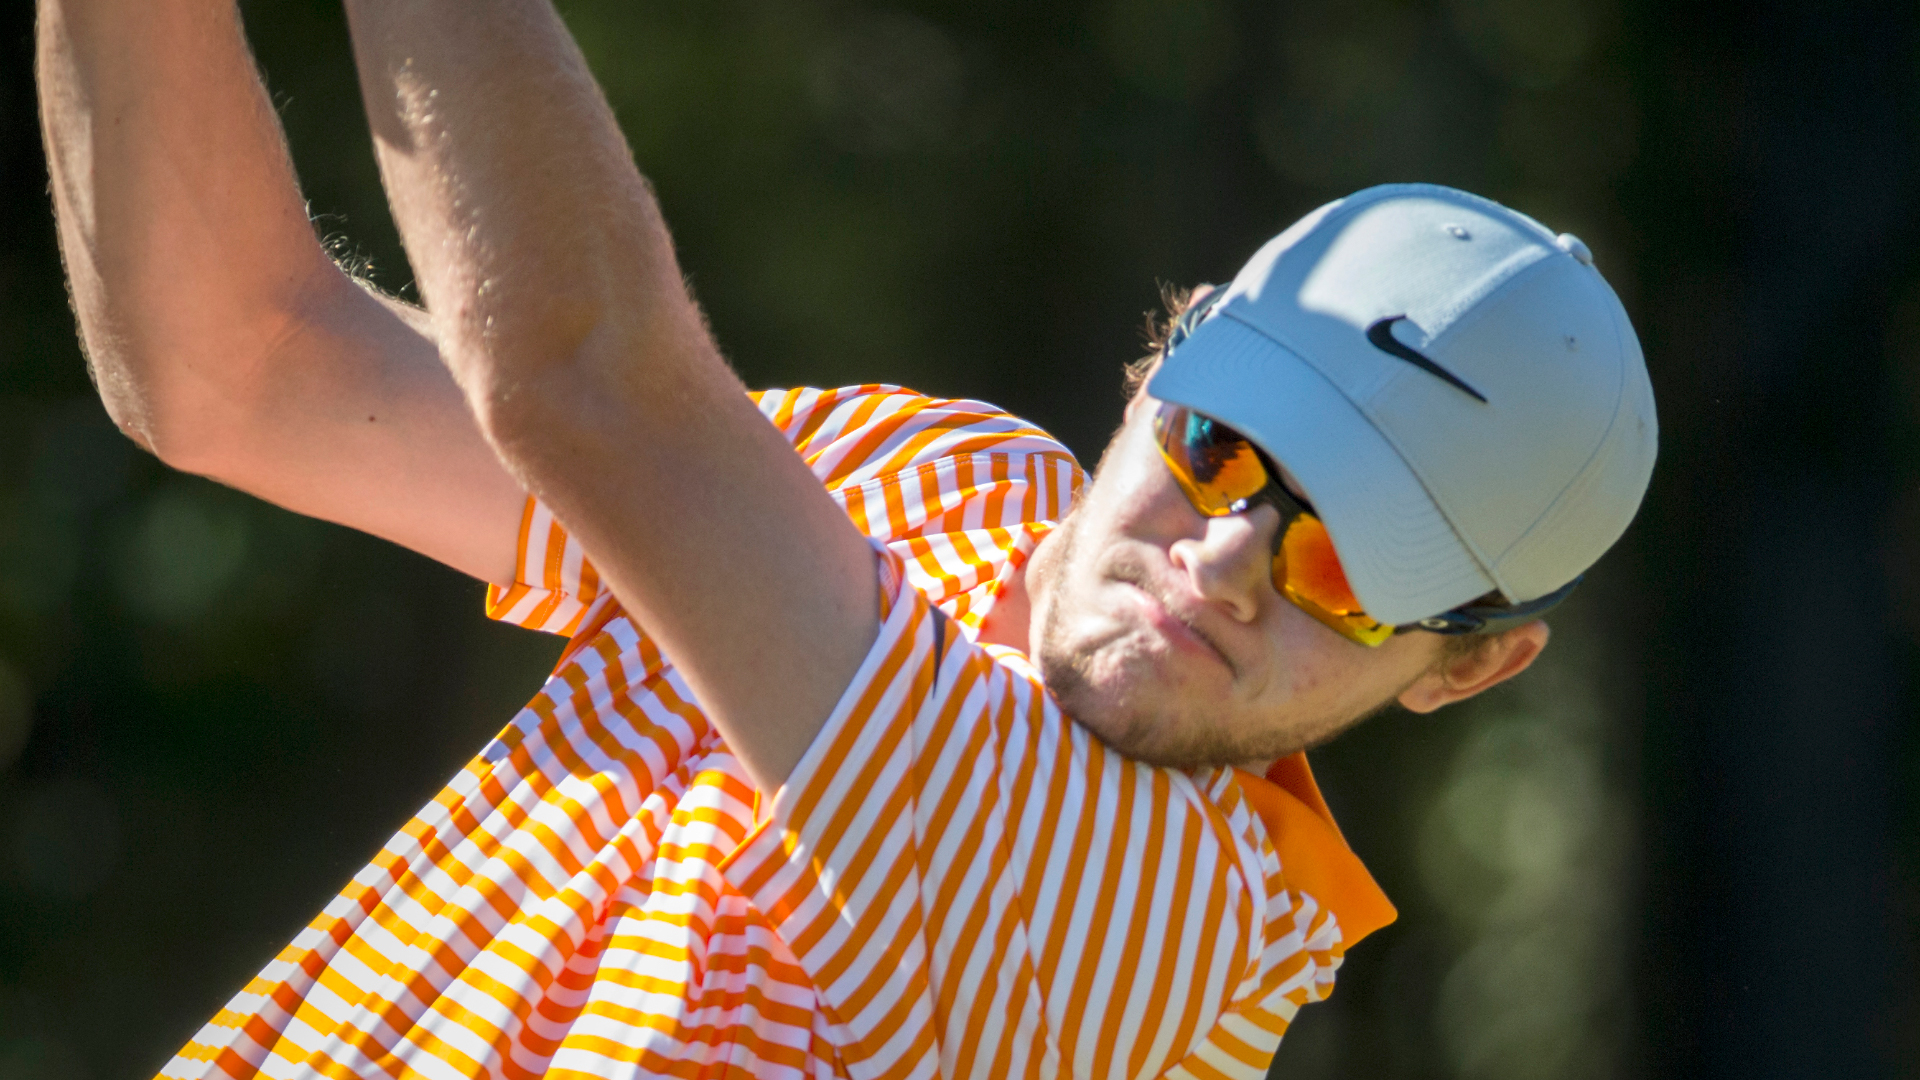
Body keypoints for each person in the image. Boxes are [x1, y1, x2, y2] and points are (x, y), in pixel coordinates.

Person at [36, 1, 1656, 1078]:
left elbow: (586, 385)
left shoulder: (1164, 920)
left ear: (1469, 668)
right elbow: (239, 366)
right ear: (1160, 362)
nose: (1224, 565)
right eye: (1221, 448)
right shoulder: (946, 477)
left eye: (1346, 569)